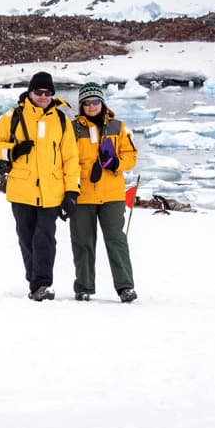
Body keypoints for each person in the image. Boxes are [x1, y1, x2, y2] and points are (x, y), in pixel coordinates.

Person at [0, 71, 80, 301]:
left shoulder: (61, 121)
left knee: (45, 238)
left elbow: (70, 158)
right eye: (39, 92)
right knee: (26, 239)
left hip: (51, 191)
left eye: (48, 92)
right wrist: (12, 151)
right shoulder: (13, 117)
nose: (43, 96)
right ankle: (35, 281)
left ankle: (42, 284)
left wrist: (72, 191)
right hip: (22, 191)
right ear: (30, 92)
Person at [70, 83, 138, 303]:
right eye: (87, 102)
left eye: (95, 101)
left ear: (102, 103)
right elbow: (65, 160)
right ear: (81, 105)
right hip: (82, 194)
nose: (92, 106)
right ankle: (84, 287)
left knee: (116, 240)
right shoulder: (72, 129)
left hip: (112, 195)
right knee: (83, 242)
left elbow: (131, 156)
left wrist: (116, 162)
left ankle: (125, 287)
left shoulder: (118, 127)